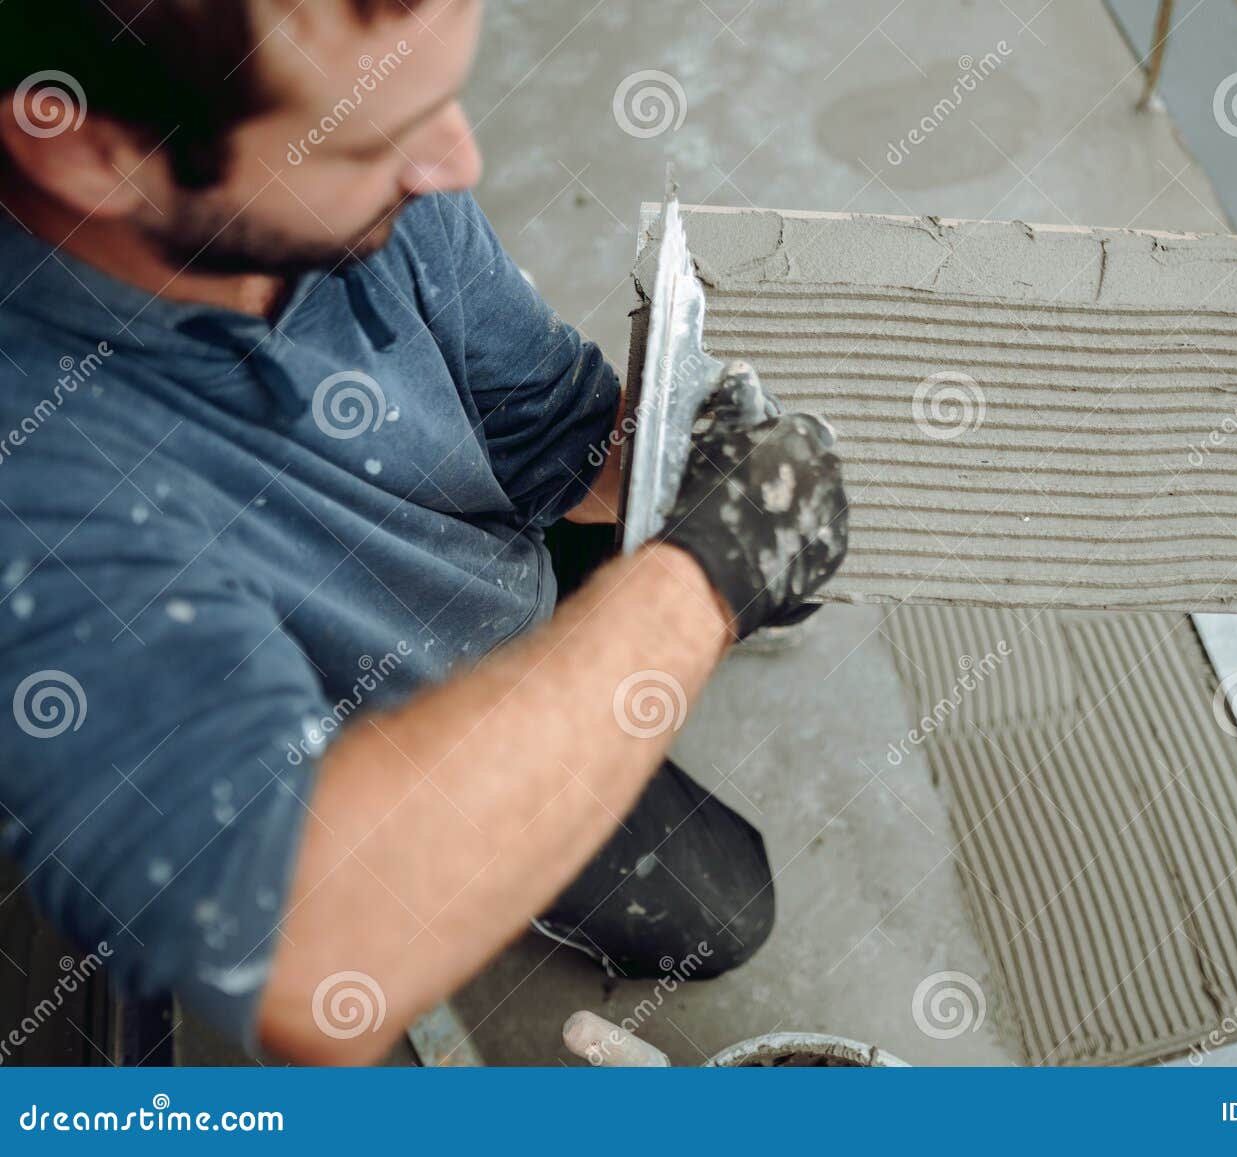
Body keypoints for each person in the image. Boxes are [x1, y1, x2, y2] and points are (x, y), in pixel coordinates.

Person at [0, 0, 848, 1064]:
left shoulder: (368, 184)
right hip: (351, 770)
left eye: (439, 102)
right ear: (92, 152)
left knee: (707, 882)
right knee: (722, 915)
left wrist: (682, 465)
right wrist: (706, 580)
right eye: (372, 139)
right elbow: (296, 948)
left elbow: (547, 421)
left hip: (469, 602)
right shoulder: (35, 474)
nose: (454, 161)